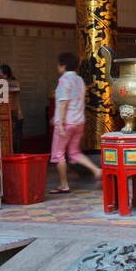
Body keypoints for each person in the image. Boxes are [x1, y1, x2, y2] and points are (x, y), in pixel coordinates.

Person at [49, 51, 102, 194]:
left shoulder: (64, 81)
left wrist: (59, 122)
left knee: (58, 154)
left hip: (66, 123)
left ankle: (64, 185)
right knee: (74, 152)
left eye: (58, 64)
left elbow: (64, 102)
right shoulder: (79, 80)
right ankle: (96, 170)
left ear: (63, 66)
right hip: (79, 122)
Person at [0, 64, 23, 154]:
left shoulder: (12, 82)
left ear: (5, 75)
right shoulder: (0, 85)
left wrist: (4, 81)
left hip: (15, 115)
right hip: (5, 116)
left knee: (14, 140)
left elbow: (18, 84)